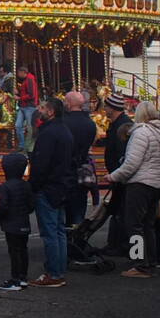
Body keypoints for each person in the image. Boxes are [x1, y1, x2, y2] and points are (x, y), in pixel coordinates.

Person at [106, 101, 160, 278]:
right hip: (156, 183)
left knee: (133, 224)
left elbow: (132, 162)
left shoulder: (141, 133)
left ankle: (139, 263)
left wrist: (114, 176)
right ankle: (150, 260)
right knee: (148, 225)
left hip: (140, 183)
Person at [28, 96, 73, 287]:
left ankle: (54, 273)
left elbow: (41, 164)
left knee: (50, 233)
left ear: (51, 112)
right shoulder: (64, 131)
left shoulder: (48, 134)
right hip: (62, 185)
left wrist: (34, 185)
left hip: (48, 187)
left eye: (43, 107)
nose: (40, 109)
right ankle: (59, 270)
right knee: (59, 230)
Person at [100, 93, 133, 257]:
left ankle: (136, 255)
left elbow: (124, 155)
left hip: (123, 177)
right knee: (120, 212)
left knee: (129, 217)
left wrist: (118, 174)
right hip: (120, 174)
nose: (104, 109)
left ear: (112, 108)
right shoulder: (118, 124)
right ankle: (119, 245)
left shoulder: (123, 126)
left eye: (106, 106)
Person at [0, 153, 33, 291]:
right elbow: (30, 205)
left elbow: (2, 206)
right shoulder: (26, 185)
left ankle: (15, 279)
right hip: (24, 221)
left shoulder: (6, 187)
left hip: (11, 224)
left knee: (14, 251)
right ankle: (23, 277)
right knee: (23, 250)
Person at [61, 90, 98, 229]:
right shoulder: (90, 123)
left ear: (69, 104)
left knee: (64, 210)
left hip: (66, 170)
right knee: (79, 207)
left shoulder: (63, 122)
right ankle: (77, 236)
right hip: (82, 168)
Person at [15, 63, 39, 151]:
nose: (18, 75)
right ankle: (22, 145)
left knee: (30, 127)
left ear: (23, 72)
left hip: (29, 106)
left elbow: (31, 95)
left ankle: (29, 145)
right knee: (18, 125)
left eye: (19, 73)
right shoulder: (26, 80)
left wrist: (19, 98)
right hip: (23, 106)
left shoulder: (30, 79)